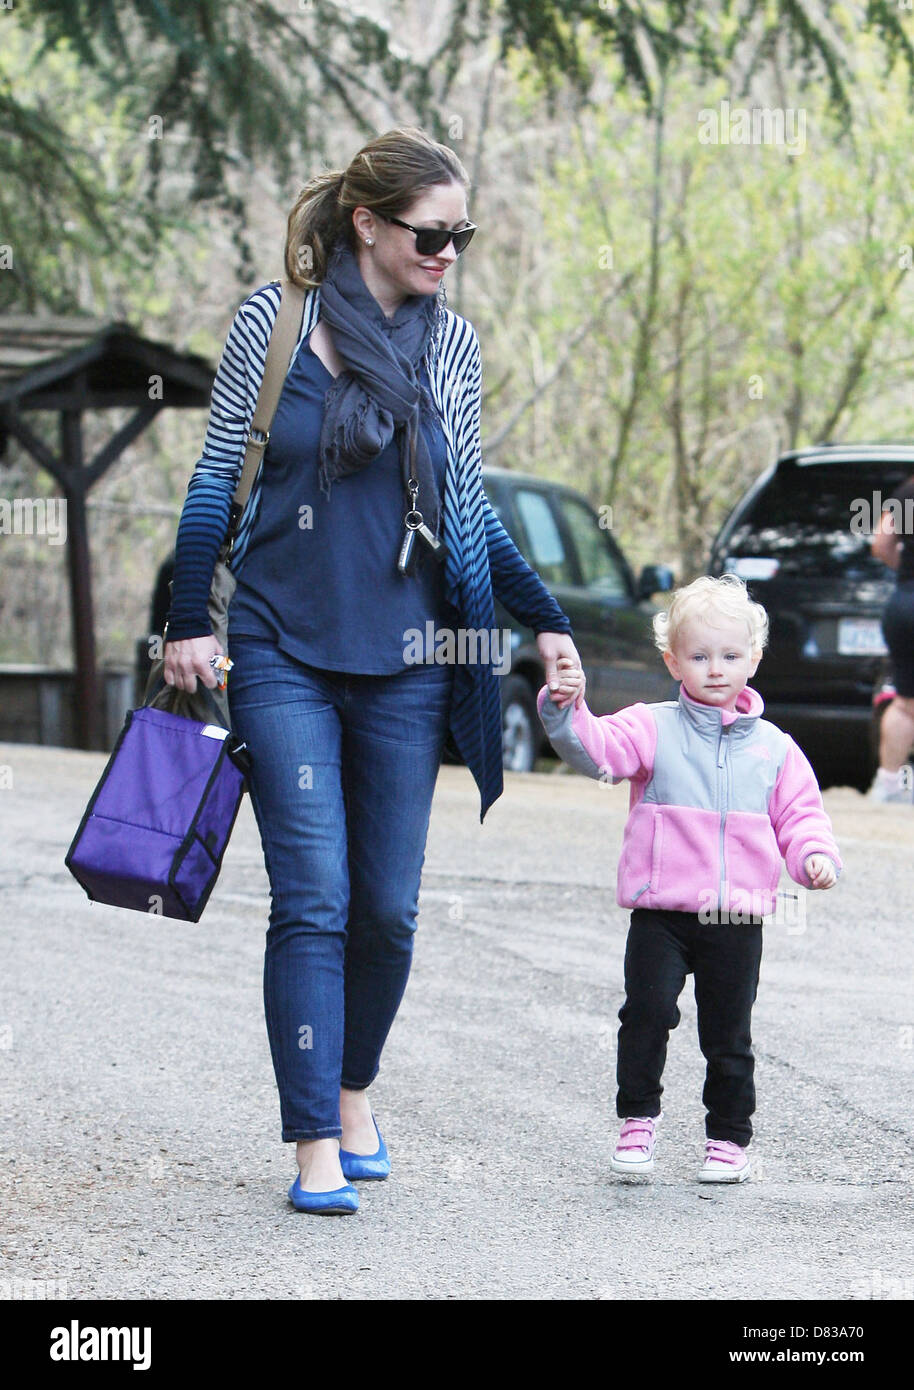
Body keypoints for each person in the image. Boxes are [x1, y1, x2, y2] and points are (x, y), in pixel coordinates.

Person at [161, 127, 580, 1214]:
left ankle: (353, 1091)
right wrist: (184, 618)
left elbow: (468, 507)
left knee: (387, 910)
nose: (449, 250)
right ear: (367, 224)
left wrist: (545, 621)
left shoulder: (451, 345)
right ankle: (312, 1145)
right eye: (431, 233)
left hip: (404, 659)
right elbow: (220, 474)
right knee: (313, 898)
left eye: (463, 233)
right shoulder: (278, 320)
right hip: (277, 645)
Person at [538, 574, 840, 1183]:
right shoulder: (652, 726)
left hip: (735, 917)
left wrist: (812, 856)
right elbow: (598, 752)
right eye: (699, 656)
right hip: (662, 912)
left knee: (729, 1034)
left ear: (753, 658)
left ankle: (728, 1139)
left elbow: (801, 814)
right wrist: (567, 708)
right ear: (673, 660)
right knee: (646, 1013)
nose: (716, 669)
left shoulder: (777, 751)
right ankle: (637, 1122)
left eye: (730, 655)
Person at [868, 475, 914, 804]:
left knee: (905, 702)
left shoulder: (909, 490)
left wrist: (907, 574)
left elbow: (881, 543)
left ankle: (889, 784)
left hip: (904, 604)